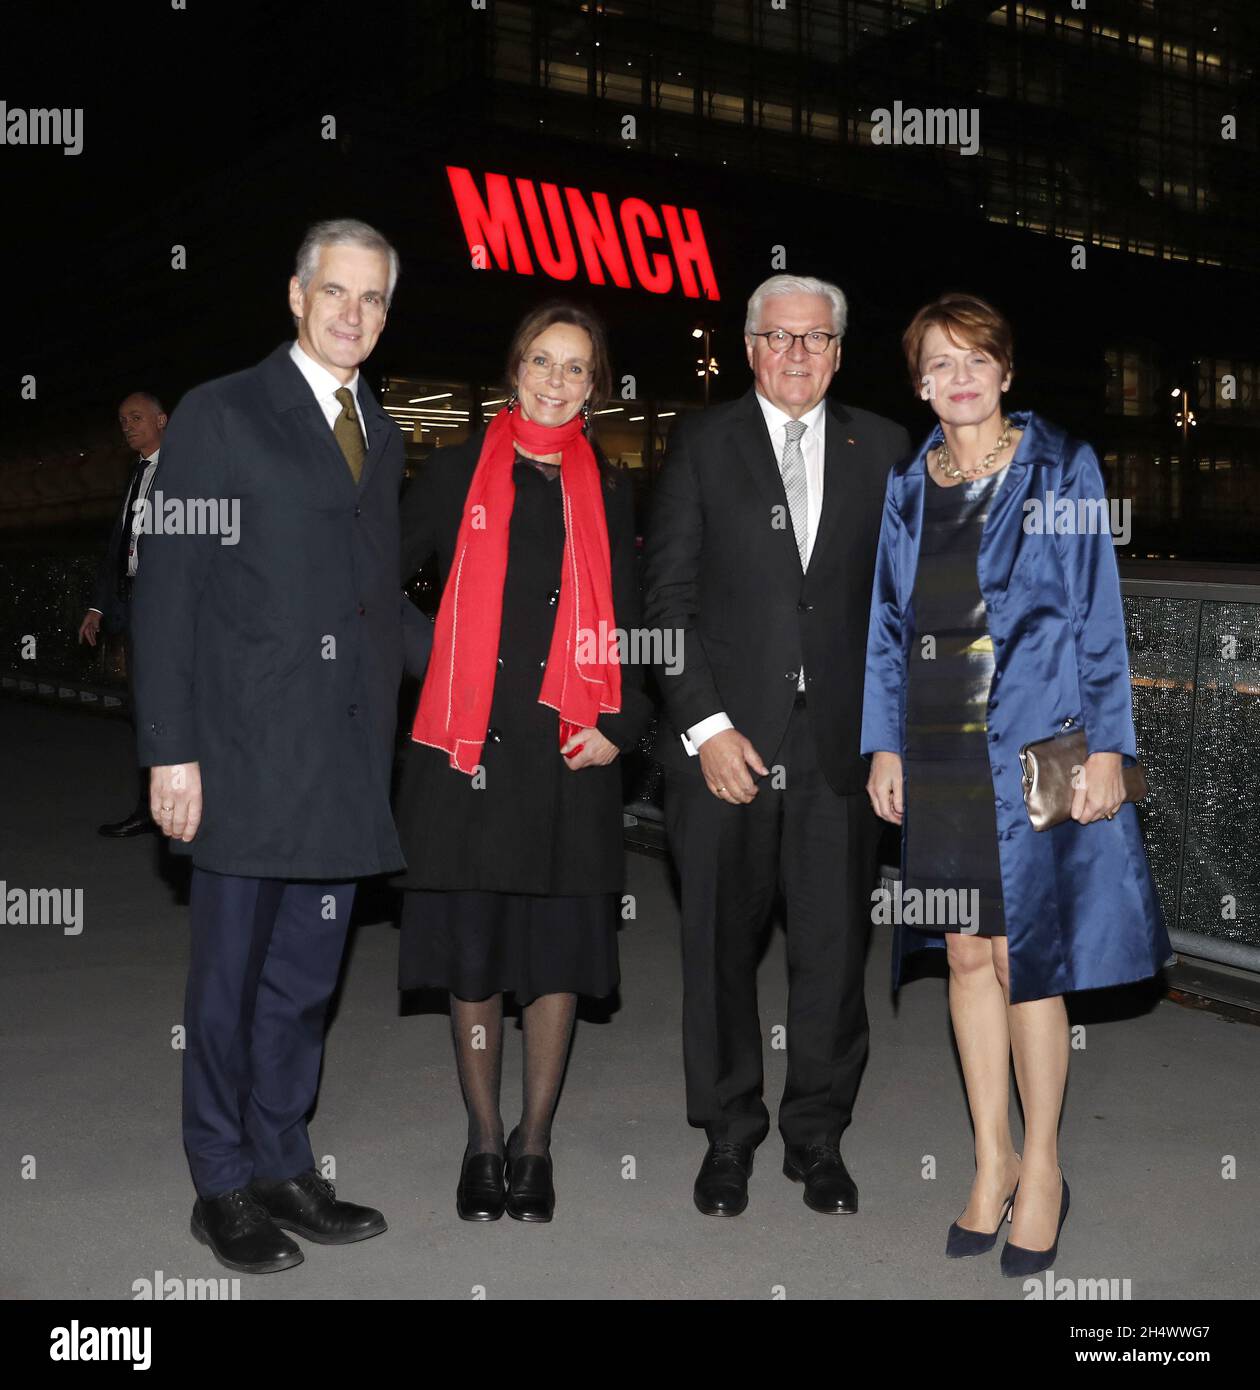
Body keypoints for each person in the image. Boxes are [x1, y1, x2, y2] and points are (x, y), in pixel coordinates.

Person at [131, 219, 432, 1274]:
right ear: (297, 296)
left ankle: (282, 1159)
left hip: (346, 760)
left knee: (306, 978)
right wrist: (171, 749)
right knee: (230, 980)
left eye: (374, 299)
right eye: (335, 293)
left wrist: (482, 665)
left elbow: (371, 604)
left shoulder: (381, 428)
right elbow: (167, 591)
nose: (354, 314)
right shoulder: (222, 412)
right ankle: (220, 1180)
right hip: (245, 755)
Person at [862, 292, 1172, 1276]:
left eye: (976, 360)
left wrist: (1111, 747)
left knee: (1020, 957)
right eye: (938, 365)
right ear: (919, 385)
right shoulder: (912, 485)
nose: (959, 378)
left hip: (1041, 746)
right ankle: (990, 1157)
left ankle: (1043, 1168)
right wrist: (884, 745)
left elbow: (1097, 613)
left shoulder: (1061, 465)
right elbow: (883, 627)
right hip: (941, 748)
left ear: (1005, 372)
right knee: (961, 954)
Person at [642, 274, 911, 1218]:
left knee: (835, 955)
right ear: (750, 346)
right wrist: (706, 728)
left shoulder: (883, 447)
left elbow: (901, 610)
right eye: (778, 338)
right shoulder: (702, 442)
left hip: (840, 752)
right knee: (719, 946)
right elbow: (665, 605)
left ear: (839, 351)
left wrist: (892, 741)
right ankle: (728, 1135)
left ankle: (818, 1138)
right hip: (724, 752)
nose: (797, 355)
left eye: (816, 339)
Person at [395, 301, 652, 1223]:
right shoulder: (459, 466)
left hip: (567, 755)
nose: (555, 379)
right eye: (541, 361)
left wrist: (625, 725)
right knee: (475, 955)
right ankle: (480, 1135)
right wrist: (433, 665)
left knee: (553, 958)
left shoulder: (612, 488)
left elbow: (639, 618)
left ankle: (533, 1143)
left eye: (575, 367)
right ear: (514, 370)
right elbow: (380, 571)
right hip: (465, 755)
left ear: (596, 386)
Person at [78, 392, 167, 836]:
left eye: (136, 418)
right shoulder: (137, 474)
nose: (127, 426)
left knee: (172, 708)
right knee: (143, 709)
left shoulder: (187, 472)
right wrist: (98, 606)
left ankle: (183, 806)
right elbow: (119, 546)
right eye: (121, 420)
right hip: (134, 607)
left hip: (171, 611)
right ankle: (152, 807)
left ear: (162, 420)